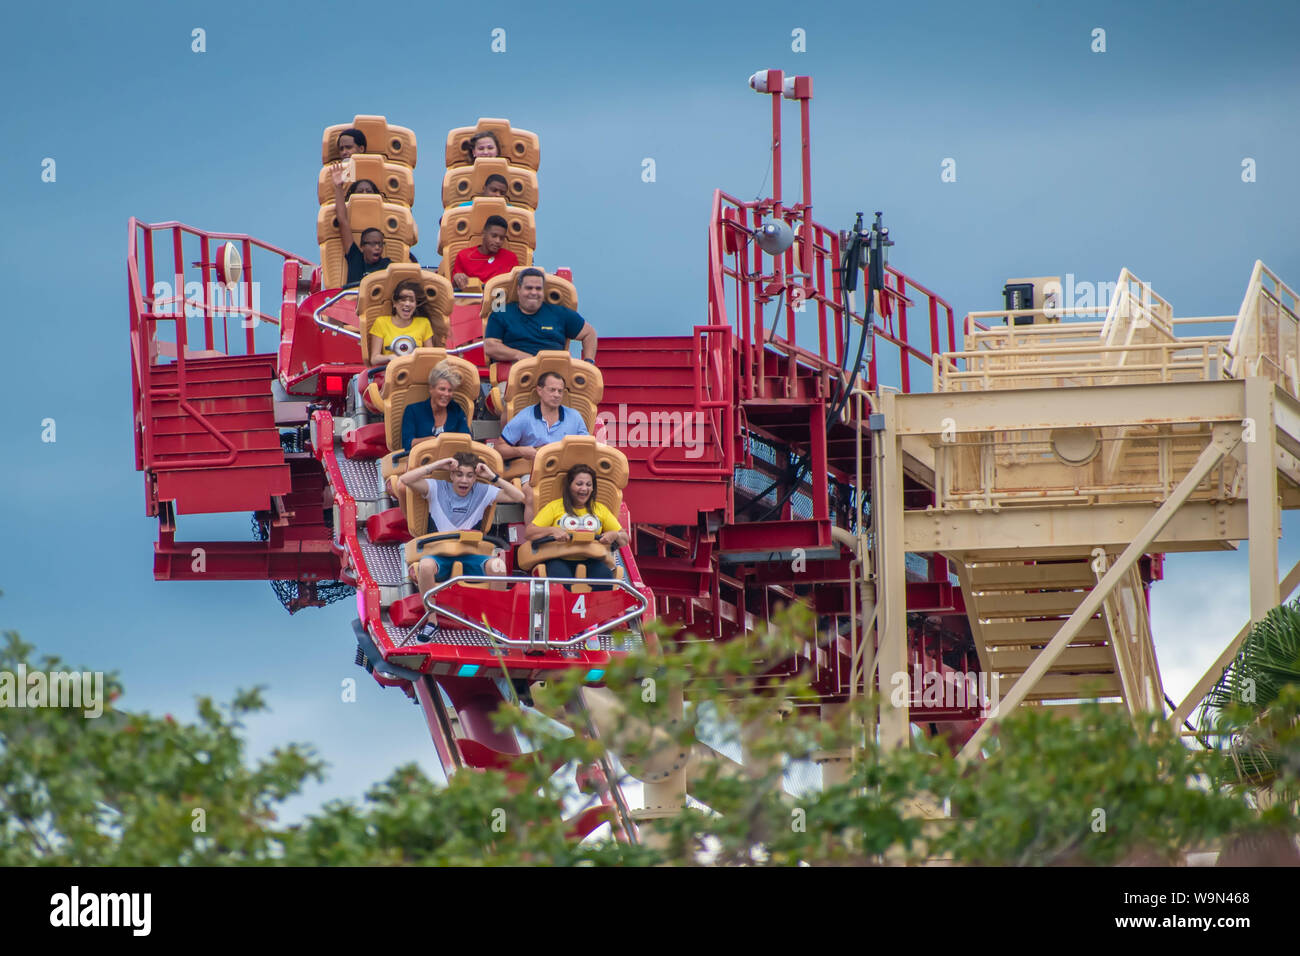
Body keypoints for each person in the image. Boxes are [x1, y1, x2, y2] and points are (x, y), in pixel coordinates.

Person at [400, 452, 524, 593]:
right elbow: (405, 480)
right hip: (439, 555)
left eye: (469, 476)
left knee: (498, 566)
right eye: (459, 474)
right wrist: (437, 465)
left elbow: (519, 497)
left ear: (475, 477)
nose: (464, 480)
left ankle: (492, 614)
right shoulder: (436, 487)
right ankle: (431, 615)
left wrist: (492, 477)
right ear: (452, 475)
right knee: (426, 566)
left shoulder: (483, 491)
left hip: (471, 555)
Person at [524, 465, 627, 589]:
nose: (584, 488)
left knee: (604, 577)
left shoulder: (600, 509)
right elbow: (529, 532)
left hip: (591, 558)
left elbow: (625, 539)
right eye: (579, 484)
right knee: (560, 580)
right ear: (569, 486)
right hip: (559, 558)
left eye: (589, 485)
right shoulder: (554, 507)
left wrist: (615, 534)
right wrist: (552, 530)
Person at [483, 268, 597, 363]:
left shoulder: (560, 313)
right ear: (519, 289)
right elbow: (491, 346)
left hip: (555, 373)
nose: (533, 292)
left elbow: (589, 333)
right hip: (516, 371)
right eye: (529, 288)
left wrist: (589, 362)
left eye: (538, 289)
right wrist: (519, 355)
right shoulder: (501, 313)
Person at [496, 371, 588, 469]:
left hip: (566, 471)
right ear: (539, 390)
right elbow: (499, 449)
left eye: (560, 391)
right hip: (531, 471)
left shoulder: (575, 416)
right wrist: (520, 451)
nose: (557, 395)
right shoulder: (525, 416)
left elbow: (587, 448)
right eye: (552, 390)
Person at [402, 360, 470, 453]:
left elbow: (466, 438)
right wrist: (431, 440)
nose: (446, 394)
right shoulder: (413, 410)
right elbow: (407, 443)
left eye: (450, 390)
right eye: (442, 389)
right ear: (431, 389)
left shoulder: (456, 410)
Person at [368, 280, 437, 366]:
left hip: (415, 371)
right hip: (389, 371)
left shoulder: (424, 323)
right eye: (403, 300)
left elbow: (430, 357)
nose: (407, 304)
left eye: (411, 301)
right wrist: (390, 357)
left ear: (416, 305)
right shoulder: (381, 322)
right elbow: (374, 359)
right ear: (395, 303)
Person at [451, 215, 518, 291]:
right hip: (471, 299)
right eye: (494, 236)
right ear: (483, 234)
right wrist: (457, 278)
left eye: (501, 238)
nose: (498, 241)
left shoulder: (510, 258)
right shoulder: (464, 256)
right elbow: (454, 288)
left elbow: (515, 288)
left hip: (498, 300)